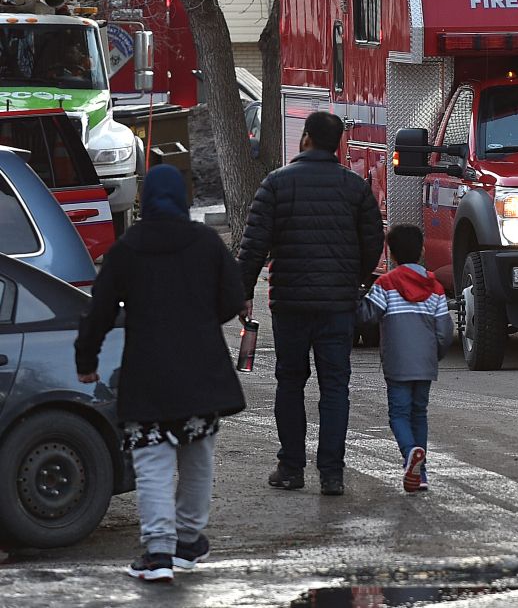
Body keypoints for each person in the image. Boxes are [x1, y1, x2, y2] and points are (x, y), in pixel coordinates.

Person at [75, 164, 246, 582]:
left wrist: (87, 360)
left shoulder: (127, 248)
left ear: (145, 199)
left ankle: (157, 553)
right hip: (200, 371)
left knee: (152, 462)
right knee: (197, 457)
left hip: (147, 373)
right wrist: (204, 318)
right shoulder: (206, 243)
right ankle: (188, 542)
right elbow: (234, 298)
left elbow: (99, 310)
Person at [238, 111, 383, 496]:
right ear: (337, 144)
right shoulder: (355, 188)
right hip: (337, 305)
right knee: (335, 387)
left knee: (290, 382)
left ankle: (290, 468)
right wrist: (353, 276)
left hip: (290, 305)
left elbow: (253, 247)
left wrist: (243, 293)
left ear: (304, 139)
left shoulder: (276, 185)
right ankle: (332, 474)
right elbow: (373, 244)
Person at [357, 224, 453, 493]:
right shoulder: (435, 287)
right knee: (418, 414)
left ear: (392, 254)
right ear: (422, 250)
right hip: (425, 364)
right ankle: (420, 474)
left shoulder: (386, 284)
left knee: (399, 414)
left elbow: (366, 317)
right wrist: (436, 354)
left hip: (397, 364)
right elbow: (444, 331)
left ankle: (410, 453)